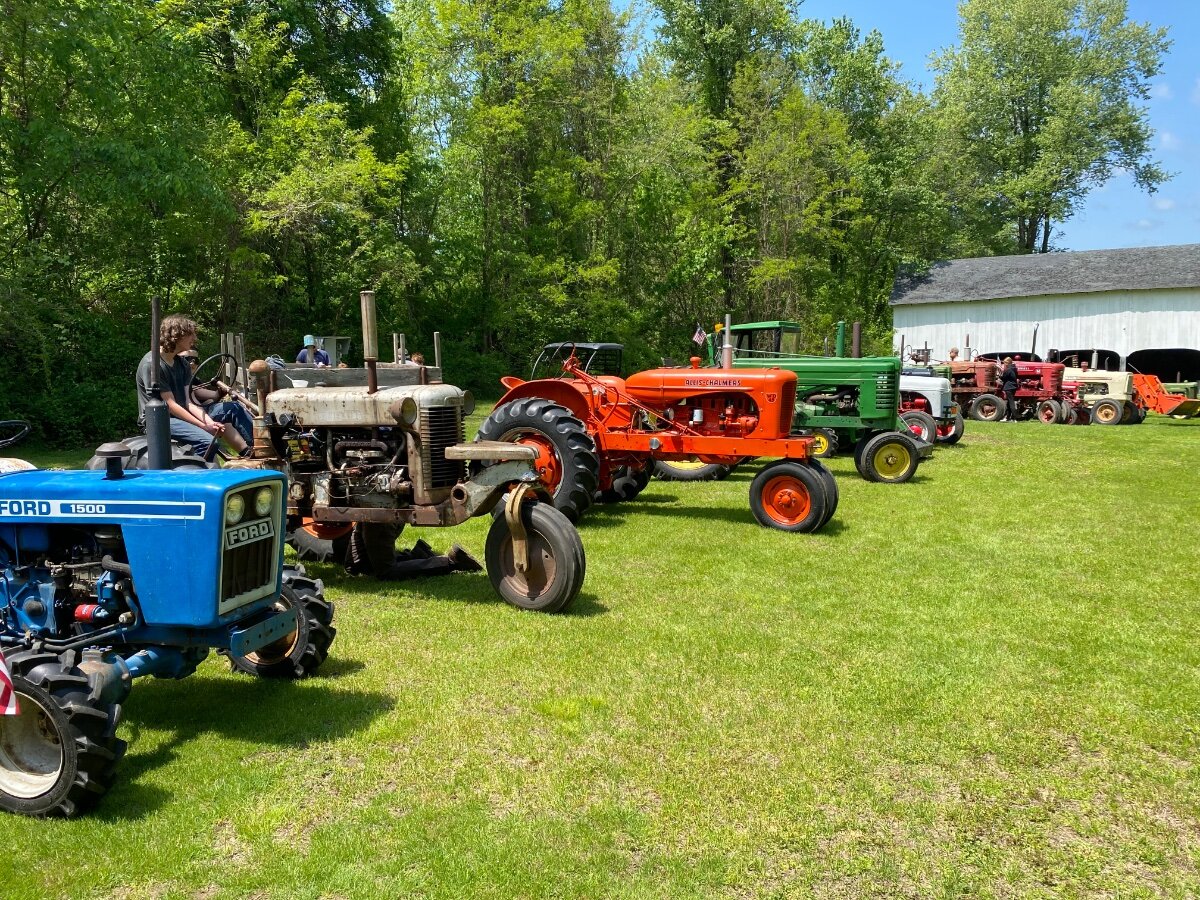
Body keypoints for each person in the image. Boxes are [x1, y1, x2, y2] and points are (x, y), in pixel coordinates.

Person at [136, 315, 250, 458]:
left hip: (183, 414)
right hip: (160, 420)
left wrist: (211, 423)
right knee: (208, 443)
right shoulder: (152, 364)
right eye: (191, 334)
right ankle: (200, 476)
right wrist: (203, 426)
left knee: (233, 408)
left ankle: (256, 453)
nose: (194, 338)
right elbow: (171, 405)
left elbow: (188, 402)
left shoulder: (182, 363)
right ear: (177, 335)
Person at [178, 349, 254, 445]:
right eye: (187, 359)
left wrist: (218, 395)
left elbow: (207, 400)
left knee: (226, 419)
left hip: (201, 412)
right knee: (233, 408)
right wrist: (215, 394)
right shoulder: (181, 380)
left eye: (195, 360)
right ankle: (258, 445)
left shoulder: (196, 380)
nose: (192, 362)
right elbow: (196, 391)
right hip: (190, 417)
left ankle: (246, 451)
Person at [999, 356, 1019, 421]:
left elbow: (1003, 378)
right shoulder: (1014, 369)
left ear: (1007, 363)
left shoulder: (1008, 370)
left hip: (1008, 387)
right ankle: (1008, 417)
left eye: (1005, 363)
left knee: (1011, 402)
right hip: (1014, 387)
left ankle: (1014, 417)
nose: (1004, 364)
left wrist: (999, 376)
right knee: (1009, 402)